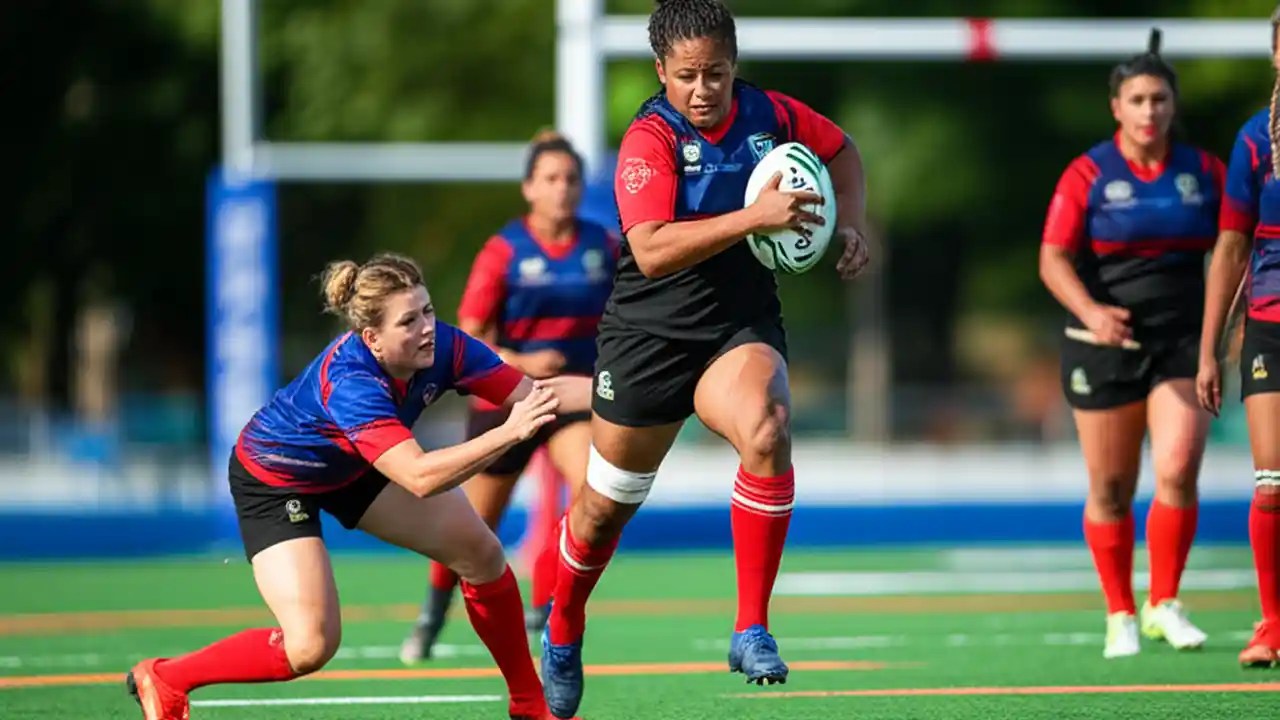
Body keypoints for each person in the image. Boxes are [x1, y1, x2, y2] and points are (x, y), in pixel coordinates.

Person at [537, 0, 870, 716]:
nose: (701, 89)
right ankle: (563, 628)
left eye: (715, 73)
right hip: (647, 336)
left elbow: (842, 151)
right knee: (602, 511)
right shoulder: (647, 140)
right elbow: (651, 250)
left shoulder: (771, 115)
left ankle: (751, 627)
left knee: (768, 430)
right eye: (686, 75)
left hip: (735, 326)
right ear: (661, 72)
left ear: (734, 66)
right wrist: (756, 217)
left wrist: (853, 222)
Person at [125, 253, 587, 720]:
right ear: (373, 339)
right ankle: (167, 677)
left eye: (427, 311)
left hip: (358, 465)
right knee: (310, 646)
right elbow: (419, 476)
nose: (427, 327)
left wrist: (625, 390)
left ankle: (530, 706)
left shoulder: (445, 346)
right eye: (408, 320)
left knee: (482, 554)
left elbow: (538, 394)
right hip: (277, 479)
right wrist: (509, 432)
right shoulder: (351, 382)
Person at [400, 132, 617, 663]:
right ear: (528, 188)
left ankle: (545, 605)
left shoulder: (604, 246)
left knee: (593, 494)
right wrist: (523, 365)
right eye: (550, 179)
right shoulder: (503, 251)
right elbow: (469, 337)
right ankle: (432, 613)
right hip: (506, 403)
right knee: (471, 529)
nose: (562, 189)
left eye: (570, 179)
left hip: (569, 401)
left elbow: (625, 318)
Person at [1039, 29, 1220, 660]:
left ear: (1174, 104)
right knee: (1112, 487)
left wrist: (1224, 330)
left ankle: (1163, 602)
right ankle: (1119, 610)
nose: (1150, 111)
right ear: (1117, 107)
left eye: (1160, 99)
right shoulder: (1088, 173)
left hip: (1179, 343)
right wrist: (1092, 310)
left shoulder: (1203, 173)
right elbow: (1053, 258)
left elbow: (1236, 248)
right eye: (1138, 100)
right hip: (1102, 344)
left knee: (1177, 466)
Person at [1198, 4, 1280, 669]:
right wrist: (1208, 349)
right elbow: (1229, 247)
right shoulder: (1255, 140)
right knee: (1272, 483)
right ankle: (1272, 624)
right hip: (1269, 327)